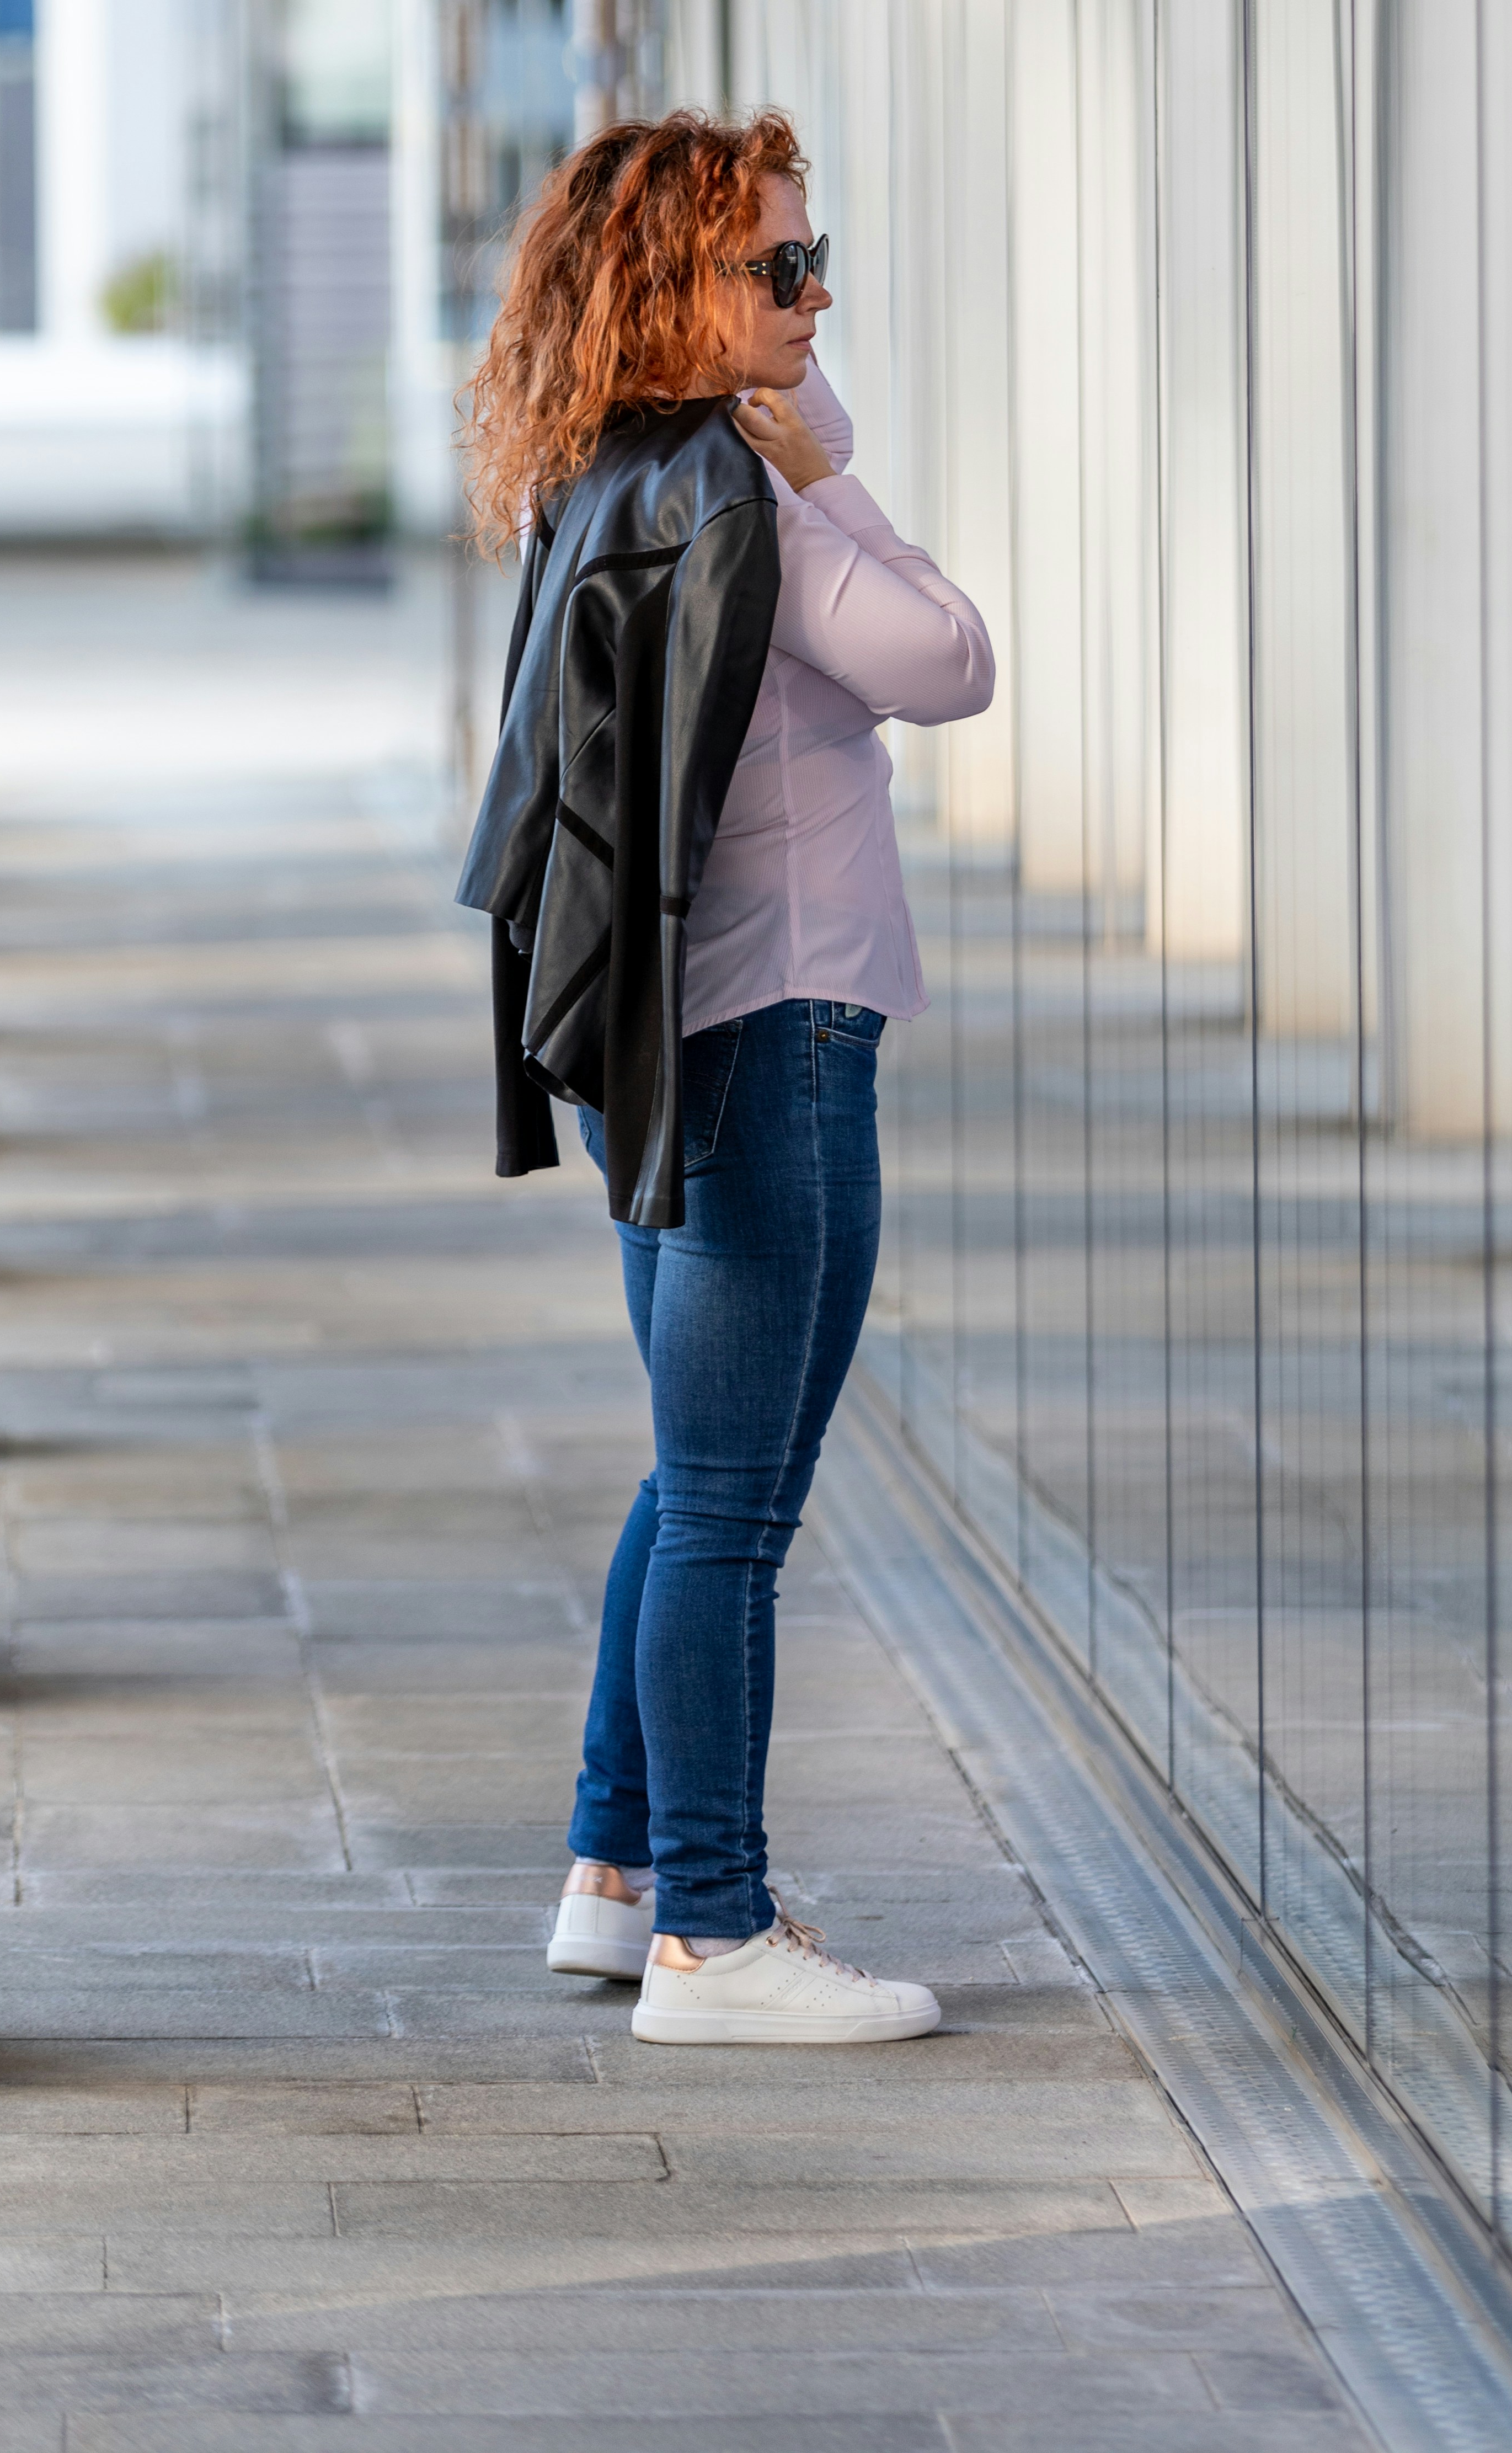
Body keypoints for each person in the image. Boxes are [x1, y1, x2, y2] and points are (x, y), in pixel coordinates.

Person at [457, 109, 995, 2045]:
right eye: (778, 265)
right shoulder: (748, 504)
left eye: (813, 252)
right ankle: (716, 1932)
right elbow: (949, 661)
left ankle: (619, 1872)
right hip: (776, 1039)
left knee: (700, 1477)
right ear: (677, 288)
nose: (816, 289)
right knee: (734, 1509)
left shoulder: (609, 477)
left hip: (658, 1044)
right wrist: (834, 475)